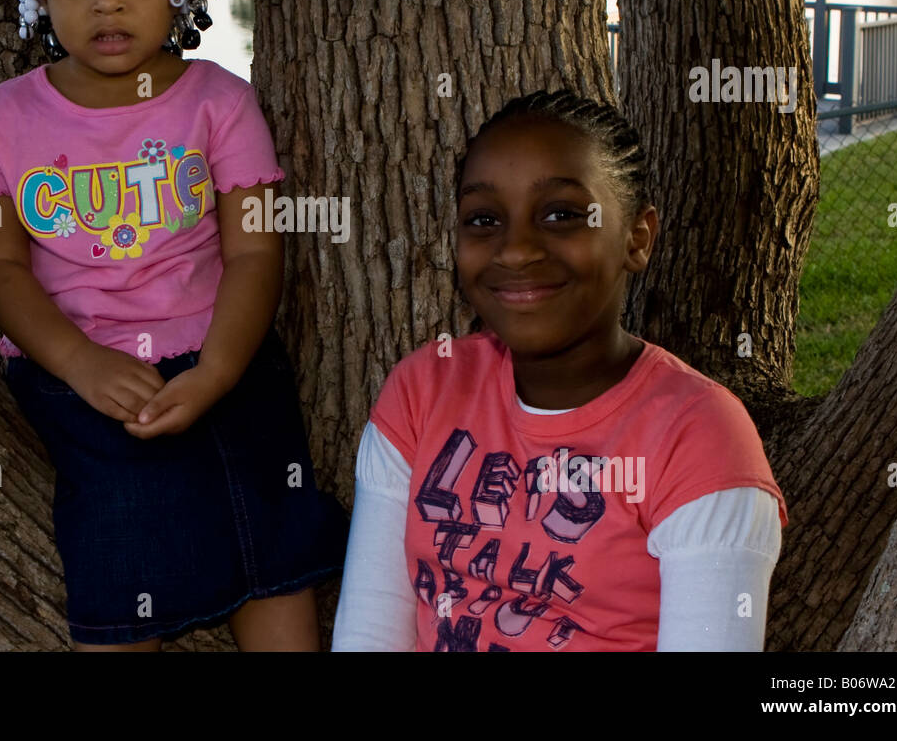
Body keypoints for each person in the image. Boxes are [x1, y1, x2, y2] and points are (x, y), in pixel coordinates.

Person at [0, 0, 347, 651]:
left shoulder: (218, 102)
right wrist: (77, 363)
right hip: (83, 378)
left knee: (270, 540)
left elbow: (253, 253)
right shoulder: (5, 118)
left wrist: (220, 370)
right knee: (119, 535)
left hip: (223, 355)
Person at [332, 89, 788, 651]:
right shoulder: (423, 391)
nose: (517, 250)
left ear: (637, 238)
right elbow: (370, 628)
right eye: (484, 219)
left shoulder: (697, 436)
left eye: (561, 215)